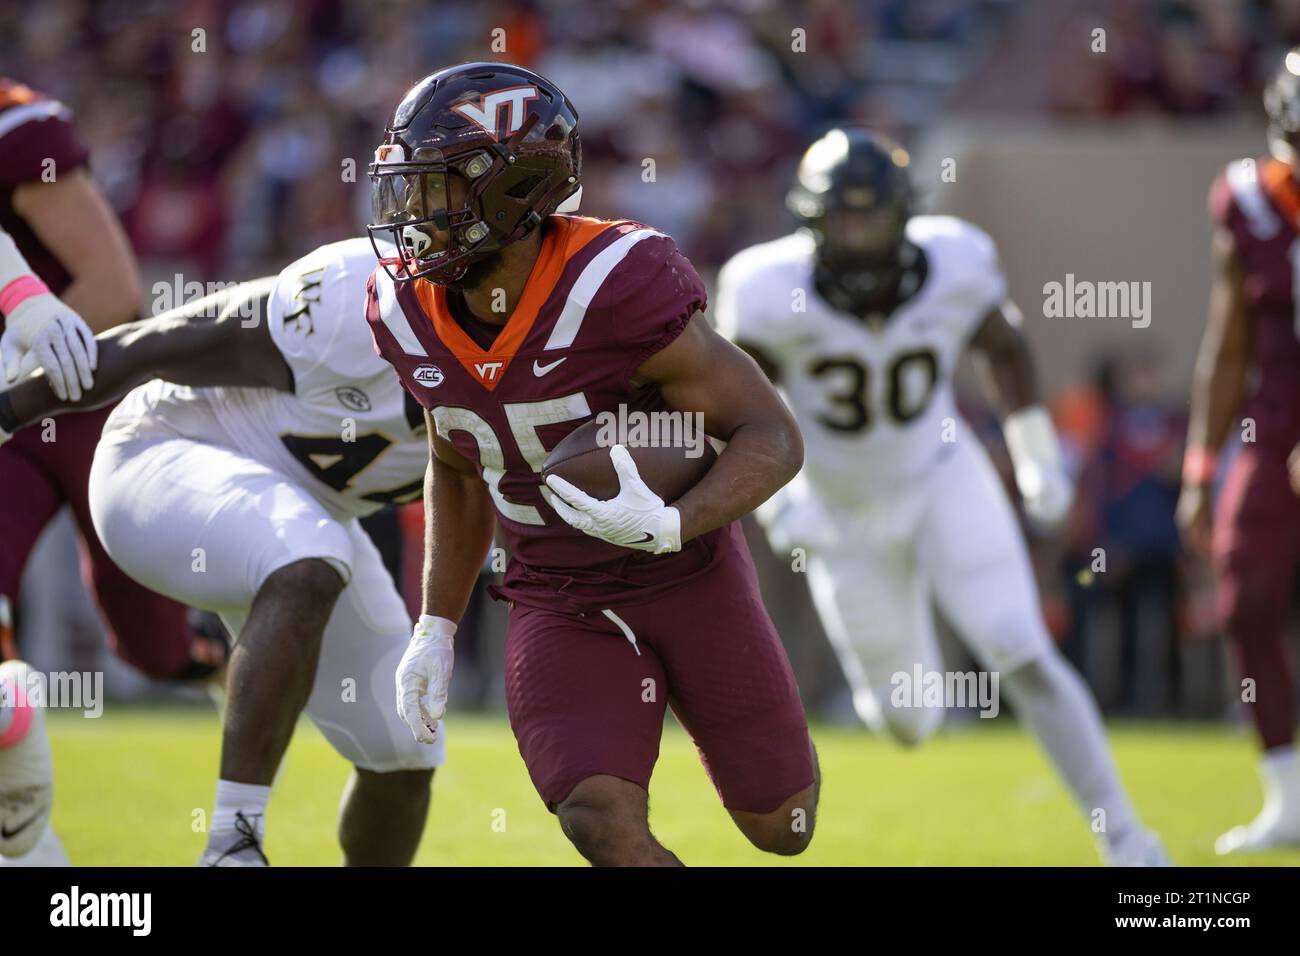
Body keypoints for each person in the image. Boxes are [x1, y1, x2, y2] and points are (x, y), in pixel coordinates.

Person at [367, 62, 819, 866]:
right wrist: (435, 626)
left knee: (781, 827)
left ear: (512, 191)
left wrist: (676, 520)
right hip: (555, 594)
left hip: (689, 577)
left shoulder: (614, 282)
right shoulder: (403, 304)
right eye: (409, 188)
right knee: (595, 816)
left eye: (436, 189)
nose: (412, 214)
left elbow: (771, 434)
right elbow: (457, 460)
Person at [717, 127, 1168, 866]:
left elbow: (1005, 345)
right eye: (842, 218)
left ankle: (1126, 839)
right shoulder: (767, 288)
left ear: (903, 216)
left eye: (870, 216)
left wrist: (1034, 457)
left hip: (939, 476)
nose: (857, 235)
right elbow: (730, 406)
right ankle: (911, 645)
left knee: (1020, 650)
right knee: (908, 721)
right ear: (811, 220)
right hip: (839, 514)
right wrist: (776, 504)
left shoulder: (955, 259)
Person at [0, 238, 442, 865]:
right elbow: (161, 342)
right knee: (308, 555)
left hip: (309, 515)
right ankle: (232, 844)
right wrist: (11, 407)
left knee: (405, 748)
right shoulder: (350, 293)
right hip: (159, 452)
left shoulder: (534, 360)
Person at [0, 76, 220, 867]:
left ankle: (225, 659)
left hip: (86, 407)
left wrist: (11, 380)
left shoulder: (16, 125)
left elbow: (114, 288)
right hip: (11, 429)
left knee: (152, 647)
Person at [1176, 47, 1300, 854]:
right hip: (1277, 409)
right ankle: (1288, 796)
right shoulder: (1248, 198)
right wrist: (1201, 464)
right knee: (1247, 590)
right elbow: (1228, 342)